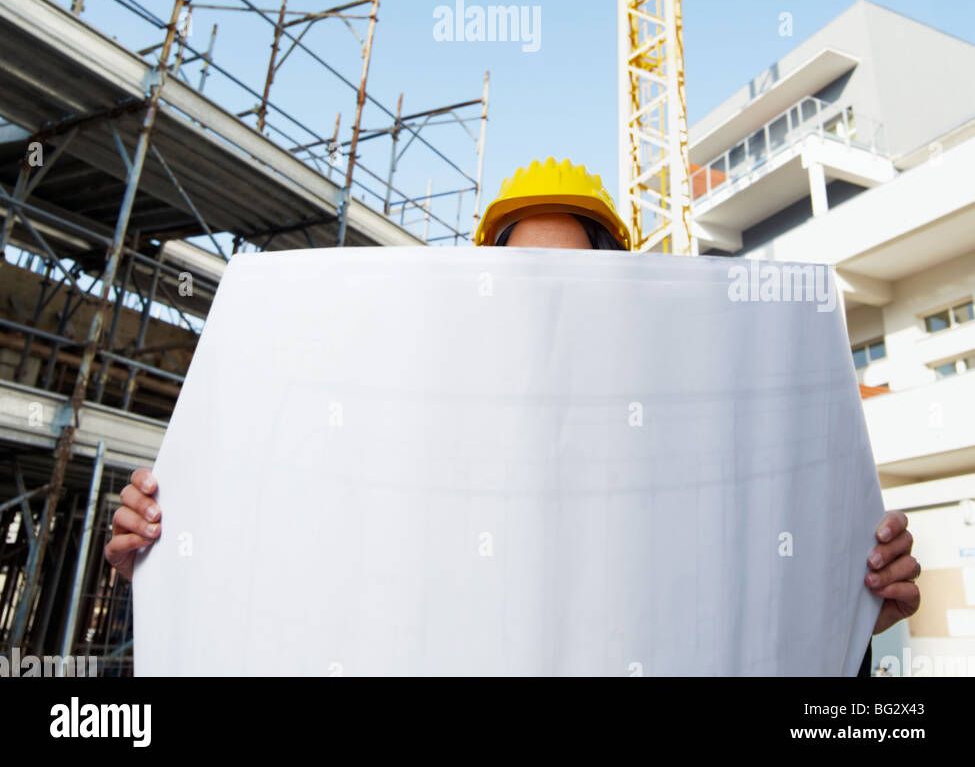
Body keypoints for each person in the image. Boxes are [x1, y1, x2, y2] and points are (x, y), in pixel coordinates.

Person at [105, 156, 921, 675]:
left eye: (569, 285)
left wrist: (844, 611)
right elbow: (303, 582)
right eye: (522, 280)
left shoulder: (681, 462)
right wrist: (172, 559)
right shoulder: (416, 450)